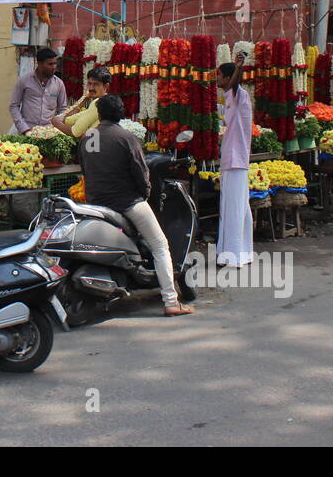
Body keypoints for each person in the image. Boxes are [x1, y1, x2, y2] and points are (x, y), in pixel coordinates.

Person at [79, 95, 192, 315]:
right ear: (121, 113)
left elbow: (84, 168)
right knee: (160, 245)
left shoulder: (87, 137)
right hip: (126, 202)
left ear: (99, 114)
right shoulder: (126, 137)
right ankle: (171, 302)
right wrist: (146, 194)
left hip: (95, 202)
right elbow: (142, 173)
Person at [216, 55, 254, 267]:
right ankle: (239, 252)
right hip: (232, 160)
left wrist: (239, 67)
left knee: (234, 209)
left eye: (220, 76)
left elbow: (236, 83)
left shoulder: (238, 94)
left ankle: (233, 256)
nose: (217, 80)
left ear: (229, 77)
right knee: (236, 208)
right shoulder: (230, 99)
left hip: (236, 160)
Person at [9, 47, 68, 134]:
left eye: (55, 63)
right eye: (50, 64)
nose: (54, 67)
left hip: (49, 134)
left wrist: (57, 129)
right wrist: (24, 129)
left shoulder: (59, 84)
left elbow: (63, 109)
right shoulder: (24, 81)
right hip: (27, 132)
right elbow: (14, 106)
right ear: (39, 63)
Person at [53, 66, 111, 138]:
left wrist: (56, 123)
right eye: (89, 84)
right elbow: (68, 120)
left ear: (106, 86)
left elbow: (75, 132)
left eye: (96, 84)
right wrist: (83, 100)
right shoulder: (106, 102)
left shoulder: (98, 103)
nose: (91, 88)